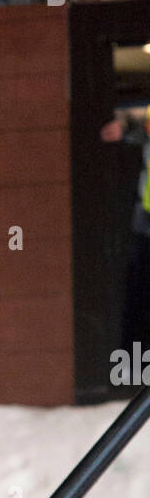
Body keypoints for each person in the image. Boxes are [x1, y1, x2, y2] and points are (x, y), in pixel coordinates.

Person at [100, 105, 150, 344]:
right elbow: (139, 121)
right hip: (146, 220)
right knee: (138, 291)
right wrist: (124, 125)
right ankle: (134, 361)